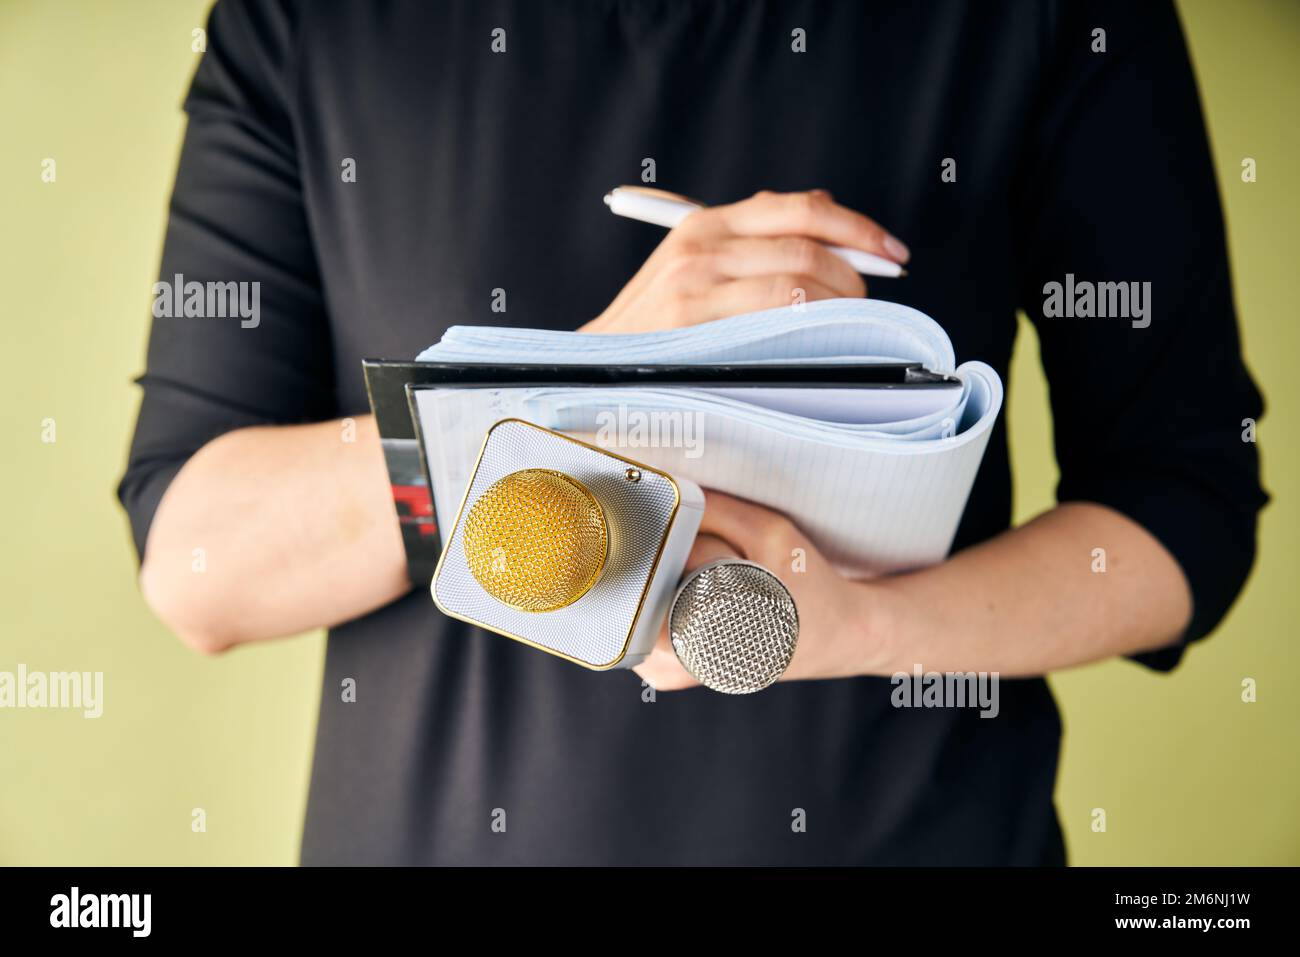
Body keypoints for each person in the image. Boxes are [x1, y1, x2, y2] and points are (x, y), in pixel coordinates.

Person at [119, 0, 1265, 865]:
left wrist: (863, 625)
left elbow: (1185, 509)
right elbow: (197, 562)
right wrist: (584, 369)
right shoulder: (306, 26)